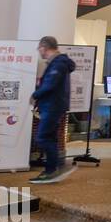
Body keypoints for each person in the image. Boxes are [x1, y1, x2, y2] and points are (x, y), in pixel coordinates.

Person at [30, 36, 77, 184]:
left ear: (44, 47)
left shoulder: (58, 64)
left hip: (52, 106)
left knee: (43, 138)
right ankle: (53, 169)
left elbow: (50, 84)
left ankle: (52, 169)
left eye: (39, 48)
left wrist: (35, 95)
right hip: (52, 105)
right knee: (49, 138)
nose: (39, 51)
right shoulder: (58, 63)